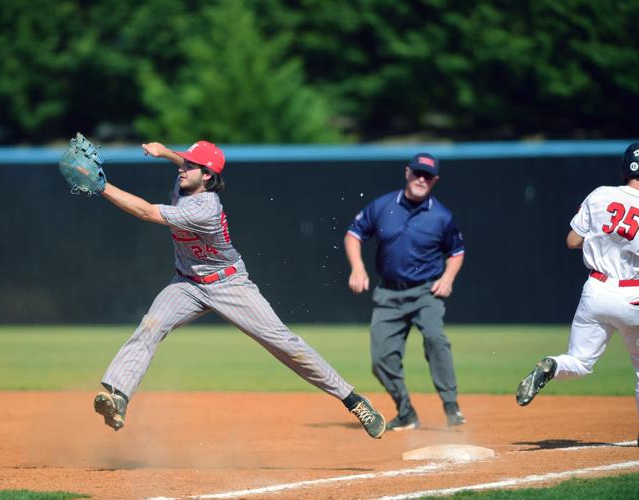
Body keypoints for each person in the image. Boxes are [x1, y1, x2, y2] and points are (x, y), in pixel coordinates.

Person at [92, 140, 386, 439]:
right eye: (184, 162)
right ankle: (119, 397)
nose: (183, 168)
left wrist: (101, 186)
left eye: (190, 165)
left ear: (207, 176)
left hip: (228, 283)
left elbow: (146, 213)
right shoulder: (188, 183)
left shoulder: (204, 208)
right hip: (187, 283)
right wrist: (166, 152)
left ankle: (353, 400)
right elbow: (185, 167)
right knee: (150, 327)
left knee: (284, 344)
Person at [516, 142, 639, 449]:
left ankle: (552, 366)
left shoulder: (599, 194)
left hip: (595, 290)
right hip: (632, 294)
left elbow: (572, 240)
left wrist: (603, 242)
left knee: (580, 362)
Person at [343, 153, 466, 431]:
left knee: (436, 339)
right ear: (407, 172)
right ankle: (406, 412)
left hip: (426, 293)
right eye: (418, 173)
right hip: (388, 294)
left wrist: (448, 277)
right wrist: (358, 268)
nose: (421, 179)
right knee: (381, 359)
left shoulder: (442, 216)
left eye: (428, 176)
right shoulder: (382, 205)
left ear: (435, 180)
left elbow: (456, 252)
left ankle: (451, 406)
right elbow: (354, 234)